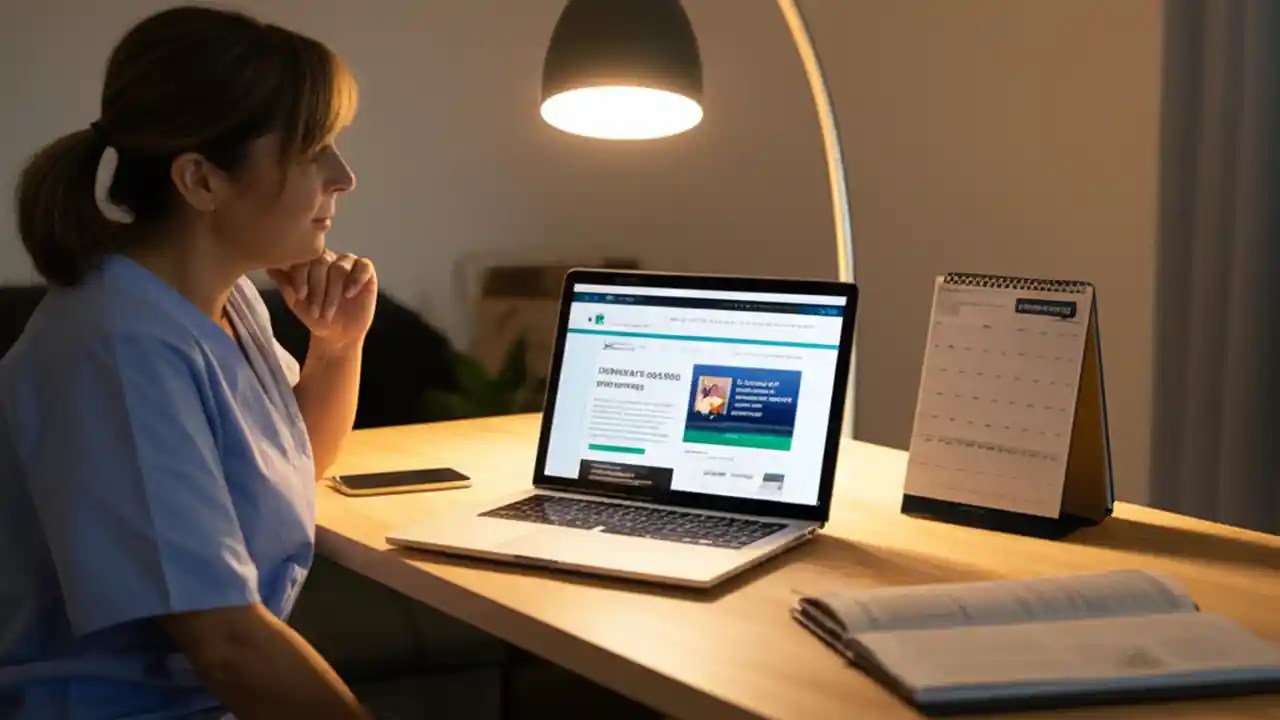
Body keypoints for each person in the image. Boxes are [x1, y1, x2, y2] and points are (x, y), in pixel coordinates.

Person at [0, 6, 377, 718]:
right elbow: (227, 644)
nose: (343, 176)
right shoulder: (117, 346)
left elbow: (294, 464)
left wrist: (336, 348)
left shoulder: (227, 298)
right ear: (201, 181)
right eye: (313, 147)